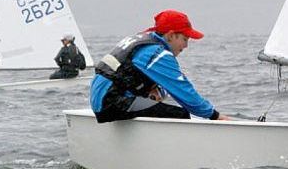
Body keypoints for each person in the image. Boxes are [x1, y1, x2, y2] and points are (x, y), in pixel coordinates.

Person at [90, 9, 230, 123]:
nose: (186, 45)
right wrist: (214, 116)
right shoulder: (157, 54)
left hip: (101, 98)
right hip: (110, 102)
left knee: (161, 105)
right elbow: (183, 91)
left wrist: (153, 92)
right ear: (170, 35)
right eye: (184, 39)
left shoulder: (144, 41)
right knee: (180, 115)